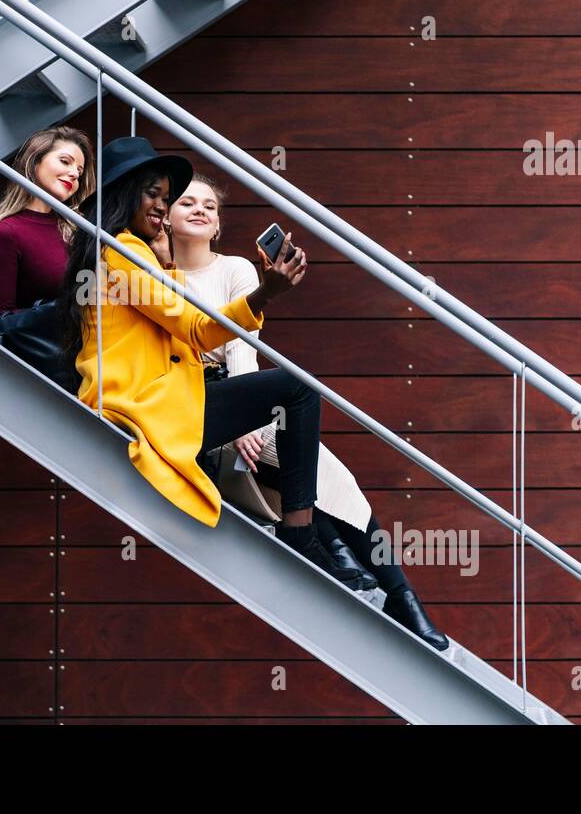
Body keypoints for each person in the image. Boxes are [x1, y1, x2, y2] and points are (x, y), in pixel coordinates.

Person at [55, 135, 365, 582]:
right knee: (295, 390)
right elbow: (197, 330)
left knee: (293, 411)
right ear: (123, 194)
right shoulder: (121, 252)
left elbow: (172, 327)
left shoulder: (122, 251)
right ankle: (301, 537)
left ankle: (314, 537)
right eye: (153, 194)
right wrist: (265, 292)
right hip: (148, 409)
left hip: (164, 399)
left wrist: (166, 264)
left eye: (166, 196)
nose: (163, 206)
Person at [166, 173, 449, 650]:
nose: (199, 210)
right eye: (187, 202)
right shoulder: (151, 270)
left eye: (210, 207)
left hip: (240, 398)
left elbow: (241, 346)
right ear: (167, 218)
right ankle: (340, 559)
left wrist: (244, 419)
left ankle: (400, 594)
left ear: (217, 225)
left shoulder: (235, 269)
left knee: (330, 476)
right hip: (189, 408)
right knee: (300, 470)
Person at [0, 125, 94, 319]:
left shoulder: (78, 230)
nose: (74, 174)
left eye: (79, 172)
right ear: (35, 162)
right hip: (45, 347)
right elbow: (0, 320)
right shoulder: (6, 233)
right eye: (65, 161)